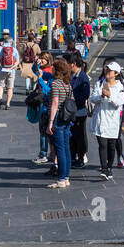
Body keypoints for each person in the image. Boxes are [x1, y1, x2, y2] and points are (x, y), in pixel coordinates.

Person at [90, 60, 124, 181]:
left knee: (111, 146)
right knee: (102, 144)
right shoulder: (99, 83)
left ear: (116, 73)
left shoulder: (120, 86)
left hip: (113, 121)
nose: (106, 71)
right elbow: (92, 98)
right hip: (100, 119)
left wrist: (109, 95)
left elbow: (119, 102)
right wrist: (101, 96)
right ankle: (104, 168)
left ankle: (110, 167)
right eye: (106, 69)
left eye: (109, 70)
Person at [44, 55, 74, 188]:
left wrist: (50, 122)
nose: (51, 70)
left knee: (60, 149)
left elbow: (55, 102)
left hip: (57, 118)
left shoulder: (55, 83)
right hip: (66, 119)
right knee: (66, 148)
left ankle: (61, 179)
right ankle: (66, 177)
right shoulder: (67, 84)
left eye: (53, 68)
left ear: (57, 70)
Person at [31, 52, 57, 167]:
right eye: (40, 58)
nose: (41, 60)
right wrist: (36, 64)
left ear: (48, 60)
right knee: (46, 131)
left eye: (43, 59)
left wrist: (40, 79)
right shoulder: (46, 70)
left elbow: (48, 91)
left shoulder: (49, 72)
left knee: (44, 130)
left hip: (47, 104)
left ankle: (43, 154)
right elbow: (35, 71)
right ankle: (51, 154)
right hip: (45, 103)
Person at [68, 52, 91, 169]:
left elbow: (85, 95)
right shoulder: (72, 75)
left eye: (69, 64)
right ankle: (73, 157)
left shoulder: (83, 77)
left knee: (79, 136)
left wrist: (74, 99)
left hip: (80, 111)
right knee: (72, 136)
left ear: (73, 64)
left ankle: (81, 158)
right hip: (71, 111)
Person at [0, 28, 20, 110]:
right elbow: (17, 61)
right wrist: (12, 67)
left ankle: (0, 99)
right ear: (11, 42)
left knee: (0, 85)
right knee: (10, 87)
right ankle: (8, 103)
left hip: (1, 70)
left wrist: (1, 66)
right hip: (11, 70)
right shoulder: (14, 50)